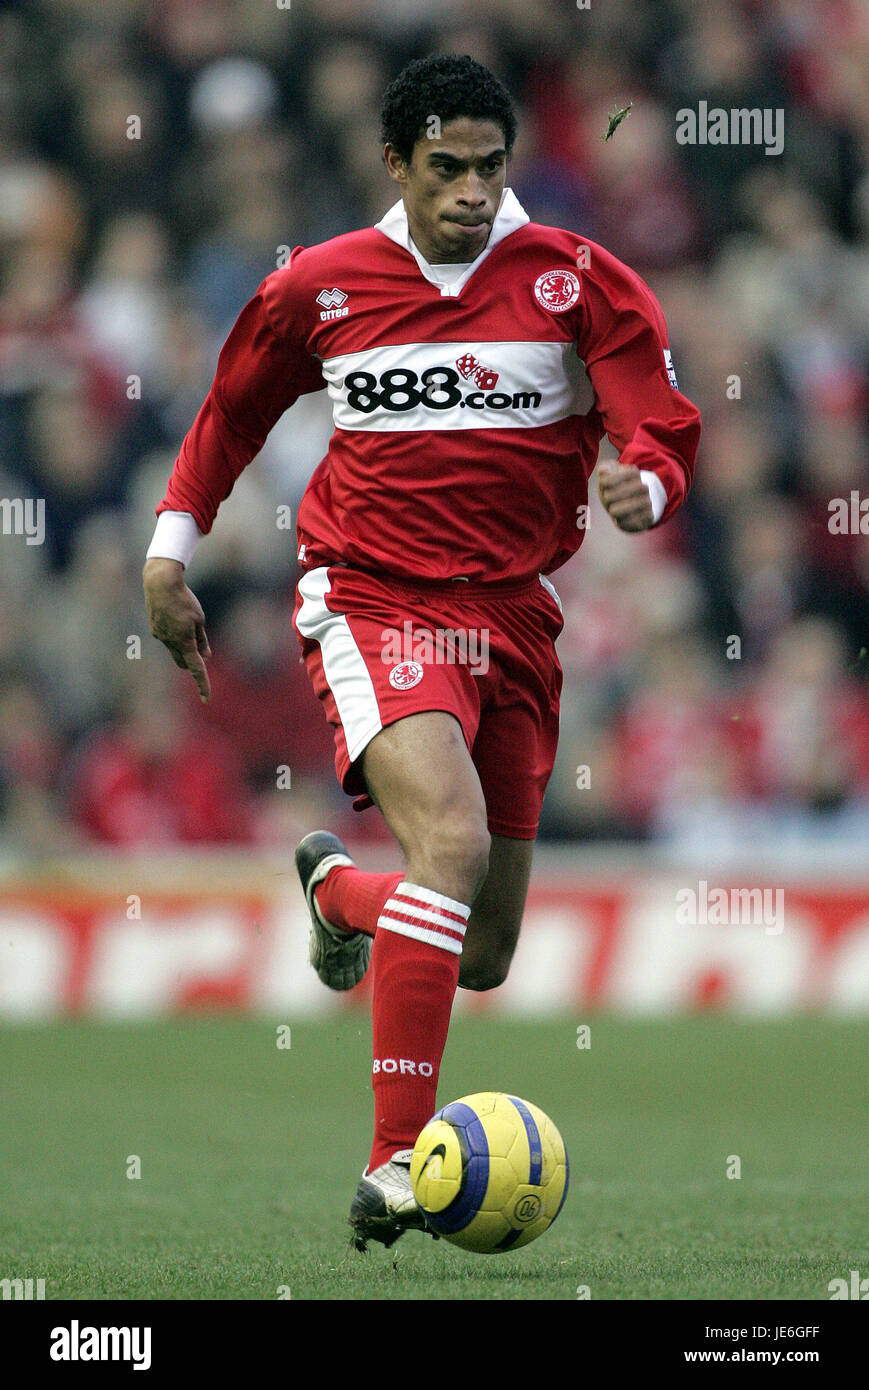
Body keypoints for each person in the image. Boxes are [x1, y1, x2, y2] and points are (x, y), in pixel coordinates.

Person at [143, 53, 701, 1251]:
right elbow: (232, 409)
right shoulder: (323, 286)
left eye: (488, 167)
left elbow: (652, 412)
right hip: (373, 598)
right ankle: (396, 1161)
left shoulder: (574, 281)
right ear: (393, 163)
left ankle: (334, 891)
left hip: (516, 614)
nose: (467, 191)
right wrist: (166, 552)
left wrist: (646, 480)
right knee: (445, 842)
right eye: (442, 168)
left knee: (483, 948)